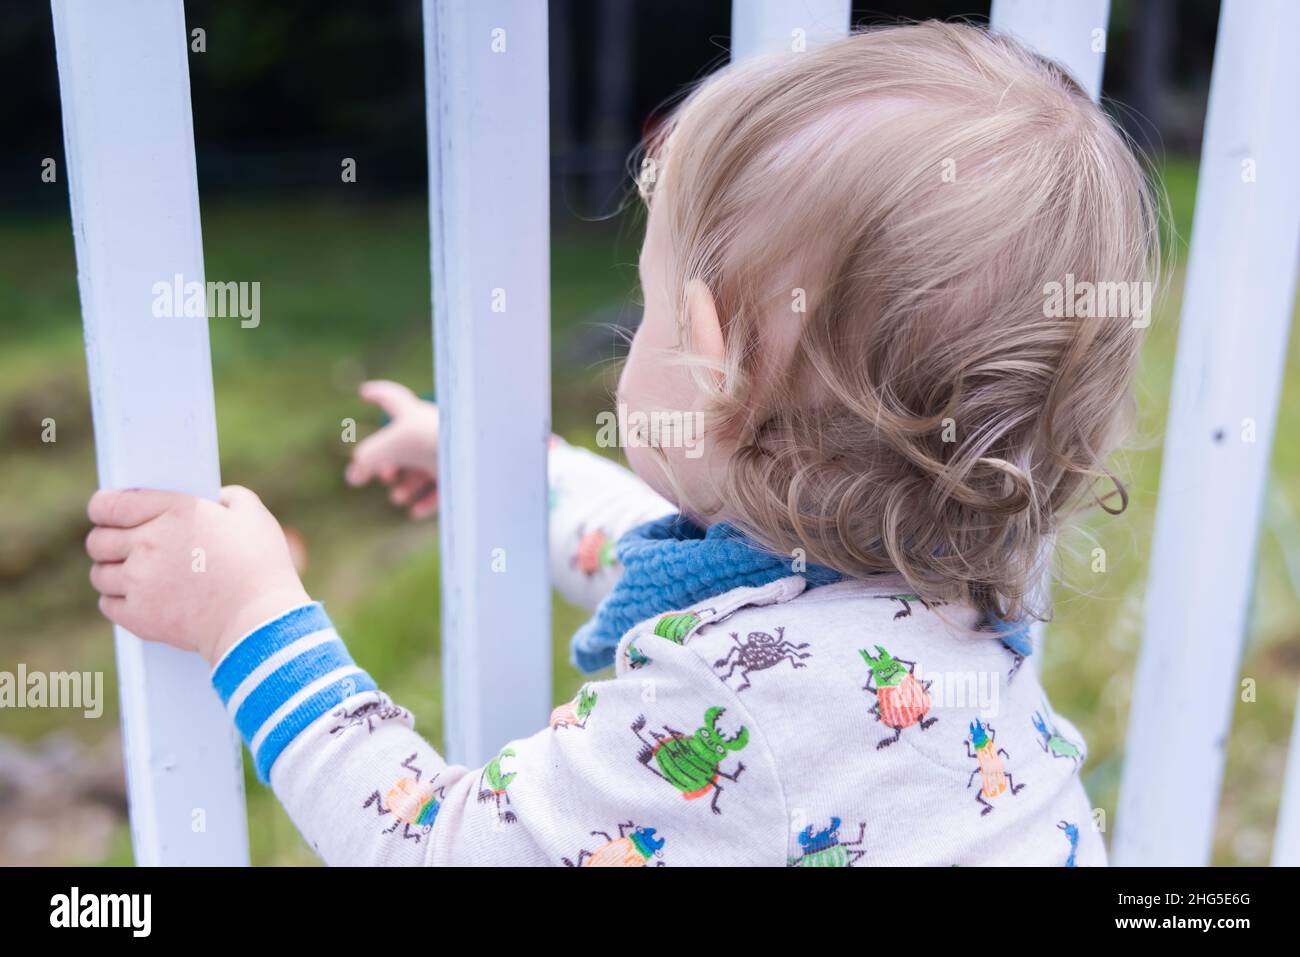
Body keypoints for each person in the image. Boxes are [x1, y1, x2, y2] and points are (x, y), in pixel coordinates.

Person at [84, 22, 1158, 865]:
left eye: (645, 308)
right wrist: (520, 479)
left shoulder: (737, 708)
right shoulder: (952, 596)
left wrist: (249, 620)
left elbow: (433, 846)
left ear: (704, 358)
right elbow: (691, 568)